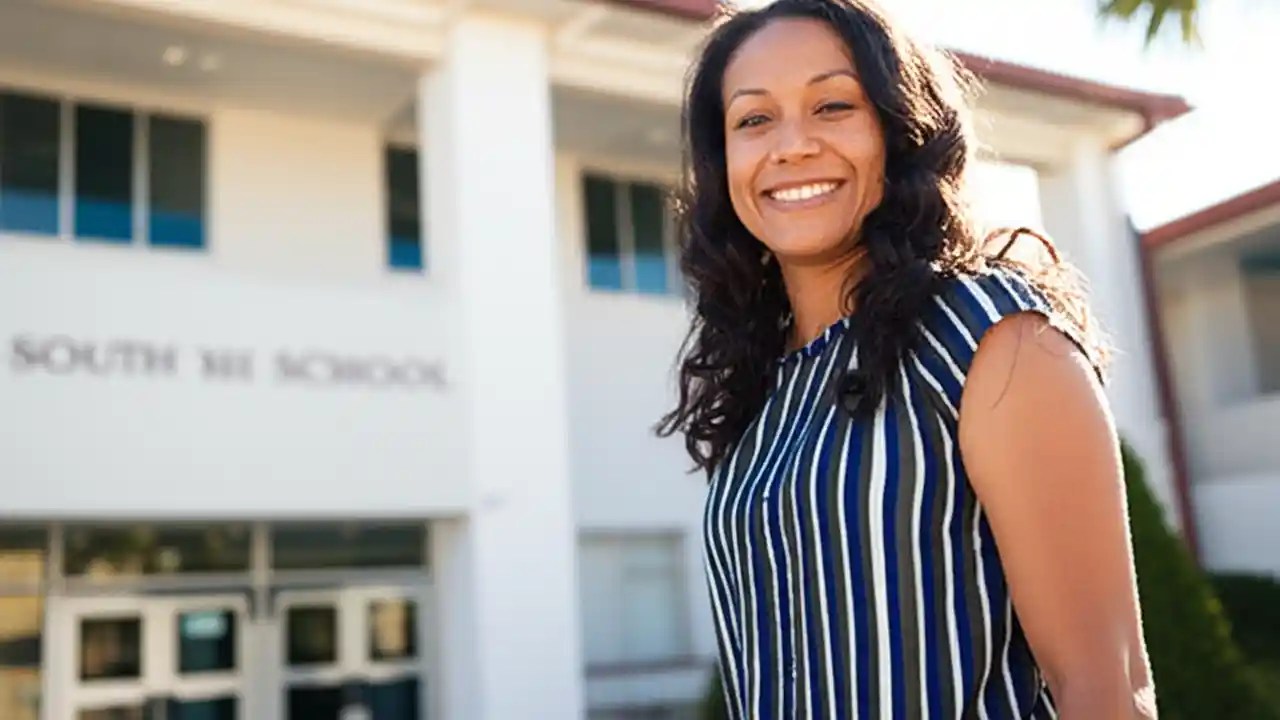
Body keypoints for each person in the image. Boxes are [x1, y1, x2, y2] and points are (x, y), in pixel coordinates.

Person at [656, 0, 1157, 717]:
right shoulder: (764, 385)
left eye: (832, 105)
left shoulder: (993, 337)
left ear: (900, 131)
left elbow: (1107, 688)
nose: (791, 145)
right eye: (754, 119)